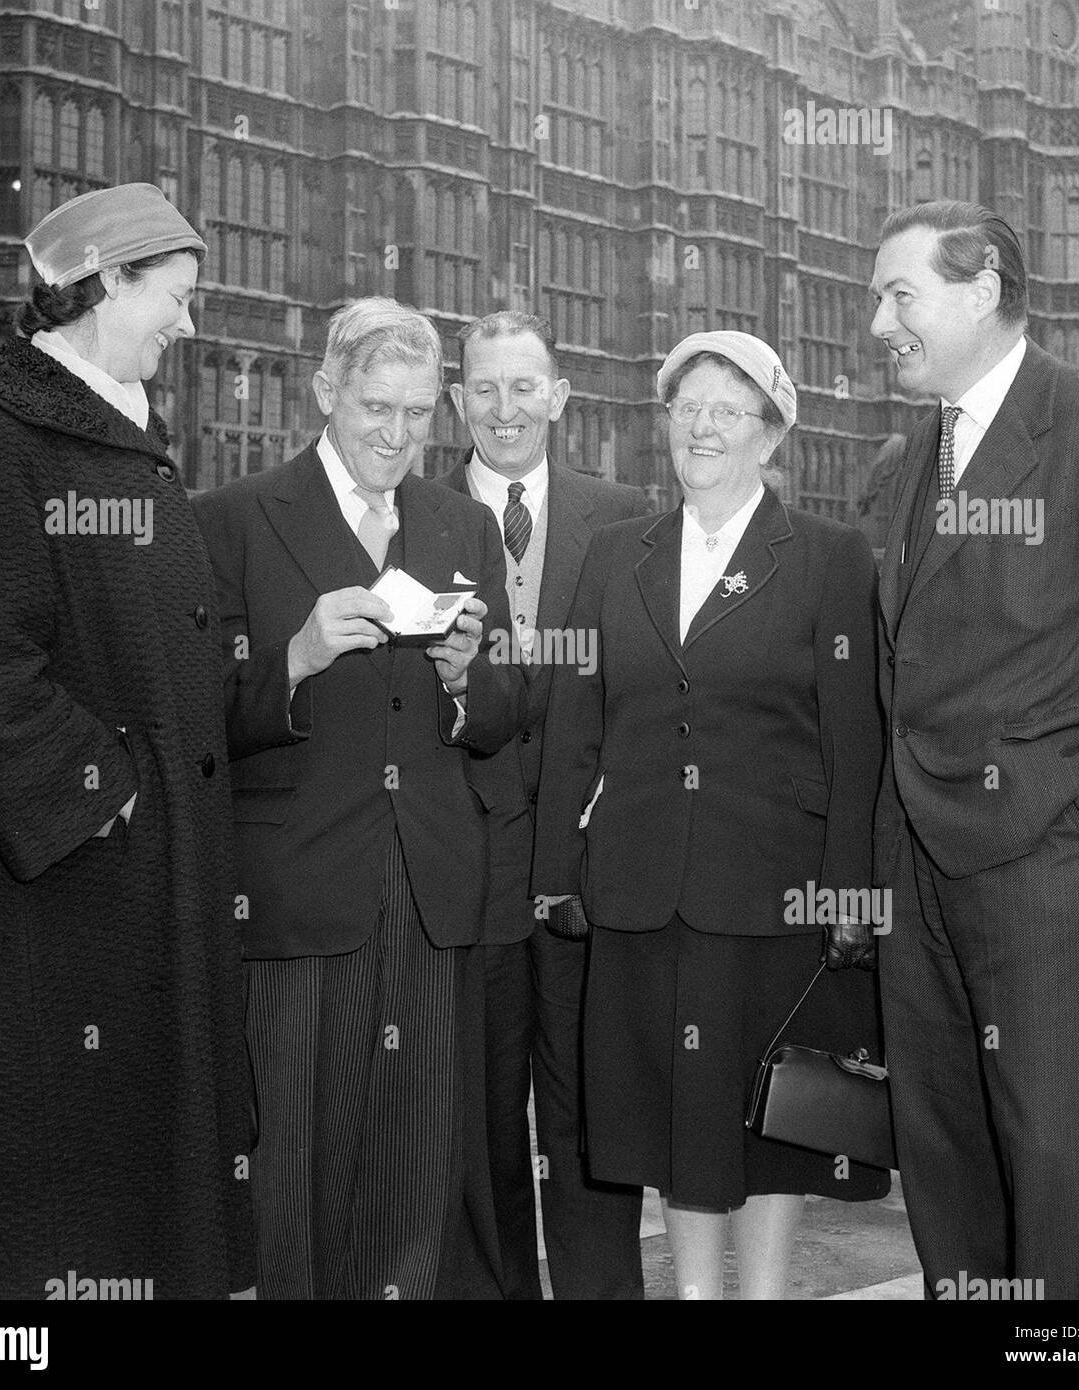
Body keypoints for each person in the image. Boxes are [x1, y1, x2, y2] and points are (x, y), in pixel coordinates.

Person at [0, 183, 255, 1298]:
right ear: (108, 284)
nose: (188, 326)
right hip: (61, 910)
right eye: (176, 298)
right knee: (49, 1203)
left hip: (131, 898)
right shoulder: (1, 442)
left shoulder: (118, 436)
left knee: (131, 1202)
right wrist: (120, 797)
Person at [869, 200, 1079, 1300]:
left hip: (1046, 866)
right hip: (920, 875)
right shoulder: (910, 463)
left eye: (899, 294)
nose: (879, 322)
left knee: (1063, 1177)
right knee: (951, 1175)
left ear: (985, 286)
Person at [531, 330, 889, 1301]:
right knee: (677, 1117)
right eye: (687, 406)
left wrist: (852, 897)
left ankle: (763, 1296)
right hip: (646, 889)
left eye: (727, 409)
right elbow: (574, 723)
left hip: (778, 891)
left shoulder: (828, 559)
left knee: (775, 1119)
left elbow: (857, 746)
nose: (701, 424)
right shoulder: (616, 555)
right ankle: (695, 1296)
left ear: (772, 436)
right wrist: (555, 871)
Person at [192, 296, 527, 1301]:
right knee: (295, 1163)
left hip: (429, 892)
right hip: (297, 896)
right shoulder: (233, 519)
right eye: (376, 407)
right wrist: (291, 659)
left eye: (419, 414)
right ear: (327, 392)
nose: (397, 434)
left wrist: (472, 676)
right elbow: (195, 716)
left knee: (418, 1159)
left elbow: (508, 714)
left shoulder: (461, 520)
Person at [439, 310, 648, 1300]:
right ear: (458, 401)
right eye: (485, 387)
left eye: (525, 387)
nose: (505, 407)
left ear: (560, 400)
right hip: (466, 877)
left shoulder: (629, 518)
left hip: (582, 882)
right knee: (476, 1131)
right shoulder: (411, 514)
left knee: (592, 1129)